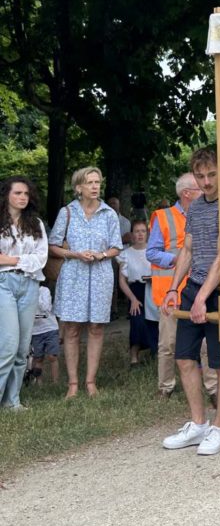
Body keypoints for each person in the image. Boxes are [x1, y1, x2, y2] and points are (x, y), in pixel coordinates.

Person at [161, 148, 220, 456]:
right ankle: (198, 424)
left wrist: (201, 299)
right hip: (194, 287)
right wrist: (174, 289)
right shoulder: (195, 208)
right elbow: (188, 250)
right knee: (184, 358)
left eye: (212, 175)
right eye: (201, 176)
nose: (207, 181)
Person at [48, 167, 122, 399]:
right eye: (89, 182)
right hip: (73, 275)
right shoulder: (67, 212)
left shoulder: (109, 214)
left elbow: (116, 246)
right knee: (71, 328)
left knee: (97, 327)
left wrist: (101, 255)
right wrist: (75, 254)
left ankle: (90, 382)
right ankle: (72, 383)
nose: (94, 186)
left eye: (97, 182)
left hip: (100, 275)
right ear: (78, 187)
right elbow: (53, 245)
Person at [147, 173, 217, 403]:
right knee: (168, 344)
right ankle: (165, 387)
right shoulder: (162, 217)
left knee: (206, 344)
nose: (207, 188)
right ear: (187, 193)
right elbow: (152, 252)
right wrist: (178, 260)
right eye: (200, 187)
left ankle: (213, 388)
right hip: (170, 293)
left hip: (200, 291)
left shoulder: (207, 213)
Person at [0, 176, 48, 410]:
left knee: (22, 347)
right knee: (8, 345)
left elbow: (41, 258)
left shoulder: (35, 223)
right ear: (6, 195)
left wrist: (10, 259)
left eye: (26, 194)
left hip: (29, 284)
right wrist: (20, 260)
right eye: (17, 193)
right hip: (3, 283)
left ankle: (12, 401)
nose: (22, 197)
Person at [117, 220, 159, 367]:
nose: (140, 234)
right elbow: (122, 280)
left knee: (154, 322)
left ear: (147, 234)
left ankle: (155, 352)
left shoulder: (154, 251)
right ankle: (134, 358)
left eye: (143, 231)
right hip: (135, 291)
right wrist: (133, 299)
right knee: (137, 322)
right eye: (137, 231)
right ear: (132, 234)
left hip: (153, 290)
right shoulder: (125, 254)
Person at [30, 285, 60, 385]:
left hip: (50, 328)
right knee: (38, 358)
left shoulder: (44, 290)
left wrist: (34, 294)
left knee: (52, 356)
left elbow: (46, 307)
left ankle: (55, 382)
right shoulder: (24, 293)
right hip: (35, 331)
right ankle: (39, 383)